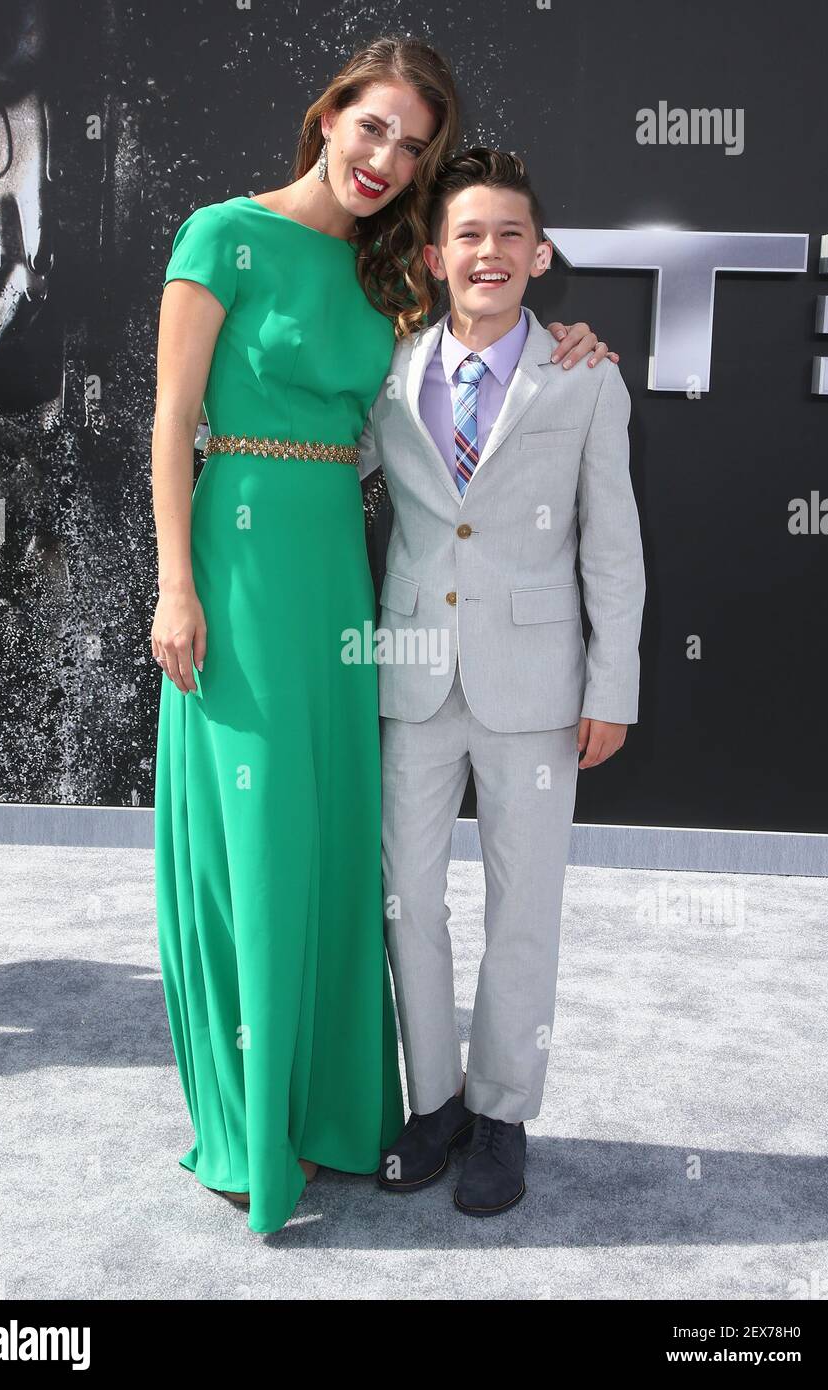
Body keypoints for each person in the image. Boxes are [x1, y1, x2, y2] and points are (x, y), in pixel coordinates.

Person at [150, 37, 616, 1235]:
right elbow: (170, 419)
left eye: (411, 147)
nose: (386, 158)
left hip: (341, 594)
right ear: (329, 114)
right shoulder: (221, 234)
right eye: (375, 128)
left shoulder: (383, 283)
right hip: (242, 562)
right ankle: (260, 1119)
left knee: (346, 857)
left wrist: (573, 342)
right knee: (260, 846)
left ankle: (395, 1110)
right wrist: (174, 583)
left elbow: (469, 365)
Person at [362, 149, 646, 1216]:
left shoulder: (585, 377)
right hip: (410, 676)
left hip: (536, 684)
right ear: (434, 257)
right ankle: (433, 1099)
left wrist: (610, 684)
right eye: (468, 236)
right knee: (409, 900)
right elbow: (319, 467)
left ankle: (503, 1113)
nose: (489, 253)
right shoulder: (387, 374)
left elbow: (612, 548)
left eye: (509, 235)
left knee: (525, 907)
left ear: (542, 253)